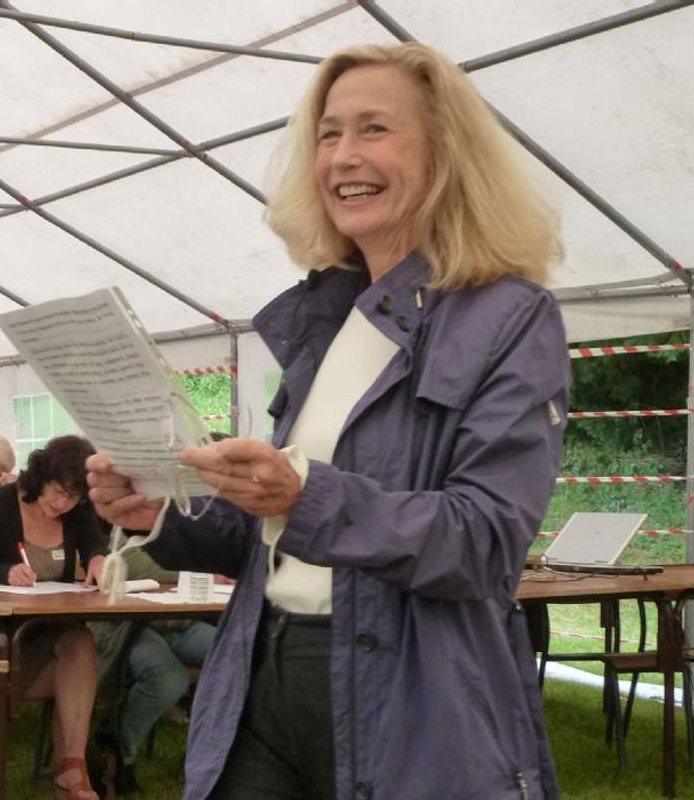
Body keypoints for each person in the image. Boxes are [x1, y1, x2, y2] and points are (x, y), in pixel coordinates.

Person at [88, 43, 568, 800]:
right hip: (261, 667)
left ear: (446, 155)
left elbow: (483, 541)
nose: (345, 155)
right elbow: (268, 533)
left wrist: (301, 495)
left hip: (409, 689)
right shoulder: (329, 316)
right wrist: (165, 507)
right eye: (328, 133)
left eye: (375, 128)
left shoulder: (510, 316)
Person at [0, 435, 107, 800]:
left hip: (48, 639)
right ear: (40, 476)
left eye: (74, 497)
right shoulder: (0, 503)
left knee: (80, 641)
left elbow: (97, 542)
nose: (62, 504)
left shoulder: (76, 511)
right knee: (78, 661)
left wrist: (97, 556)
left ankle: (72, 771)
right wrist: (3, 572)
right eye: (58, 491)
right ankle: (72, 780)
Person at [89, 548, 215, 796]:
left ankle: (206, 752)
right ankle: (117, 751)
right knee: (168, 679)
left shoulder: (196, 514)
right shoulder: (128, 517)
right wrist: (205, 572)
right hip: (126, 623)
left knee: (242, 655)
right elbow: (129, 562)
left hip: (180, 621)